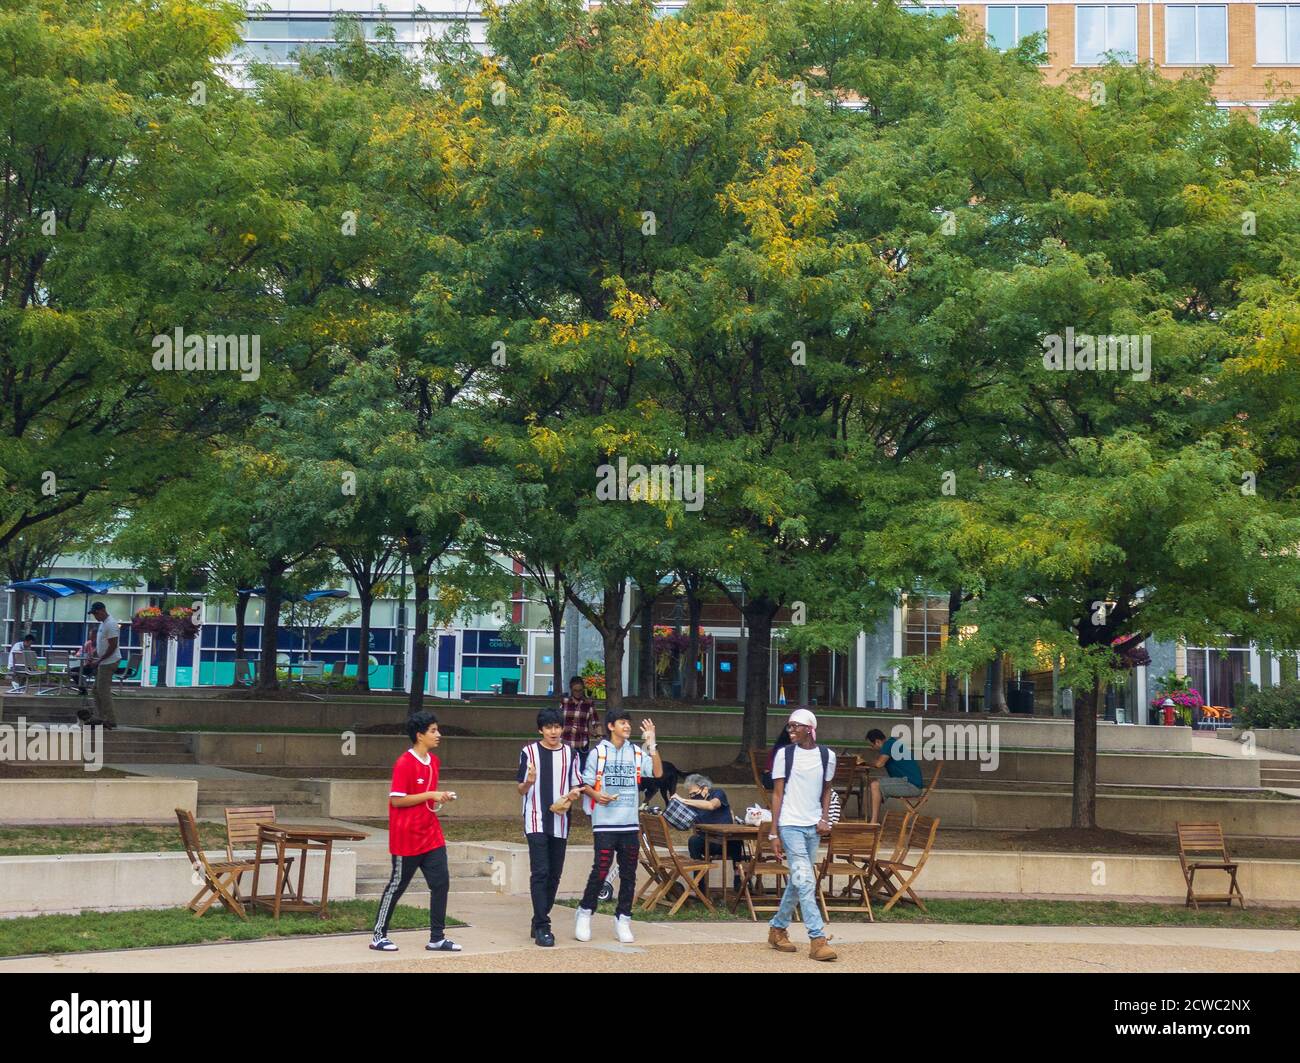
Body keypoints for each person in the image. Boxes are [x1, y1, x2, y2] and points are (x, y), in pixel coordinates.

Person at [370, 711, 462, 953]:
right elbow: (397, 800)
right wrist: (431, 794)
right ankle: (379, 936)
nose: (438, 734)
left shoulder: (434, 762)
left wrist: (440, 797)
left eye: (437, 730)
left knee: (441, 883)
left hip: (431, 834)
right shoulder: (404, 763)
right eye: (433, 731)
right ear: (419, 735)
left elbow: (425, 800)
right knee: (397, 885)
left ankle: (437, 938)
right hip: (406, 838)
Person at [574, 708, 662, 944]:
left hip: (629, 823)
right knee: (601, 869)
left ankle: (623, 918)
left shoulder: (635, 751)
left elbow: (657, 771)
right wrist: (597, 795)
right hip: (604, 822)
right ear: (611, 726)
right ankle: (585, 911)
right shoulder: (598, 752)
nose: (627, 726)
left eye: (628, 723)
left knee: (629, 873)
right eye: (622, 723)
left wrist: (651, 745)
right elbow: (586, 784)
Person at [767, 707, 837, 961]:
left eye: (796, 725)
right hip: (790, 825)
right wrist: (773, 833)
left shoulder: (827, 755)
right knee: (805, 880)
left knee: (799, 881)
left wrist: (824, 818)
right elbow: (776, 794)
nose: (791, 730)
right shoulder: (784, 755)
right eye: (789, 726)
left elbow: (827, 789)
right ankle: (817, 939)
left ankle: (777, 928)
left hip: (813, 826)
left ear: (810, 728)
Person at [517, 707, 583, 947]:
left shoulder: (571, 753)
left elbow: (577, 784)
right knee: (541, 872)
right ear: (540, 730)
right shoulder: (529, 752)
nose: (553, 731)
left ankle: (537, 918)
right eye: (548, 727)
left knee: (554, 874)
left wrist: (574, 794)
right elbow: (520, 789)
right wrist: (529, 782)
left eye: (557, 727)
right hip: (535, 819)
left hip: (561, 819)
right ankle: (544, 926)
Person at [679, 773, 743, 894]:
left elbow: (711, 805)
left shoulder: (718, 793)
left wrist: (683, 800)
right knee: (693, 841)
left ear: (705, 788)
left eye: (694, 793)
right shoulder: (693, 804)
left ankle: (738, 878)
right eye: (690, 795)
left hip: (727, 841)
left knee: (736, 839)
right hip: (708, 842)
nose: (693, 797)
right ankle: (699, 884)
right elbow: (683, 824)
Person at [865, 727, 924, 823]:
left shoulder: (889, 744)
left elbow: (879, 764)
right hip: (909, 783)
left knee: (874, 785)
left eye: (872, 746)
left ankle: (873, 822)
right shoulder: (892, 743)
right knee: (875, 783)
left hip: (910, 785)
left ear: (878, 742)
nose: (872, 748)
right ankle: (872, 820)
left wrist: (864, 763)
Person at [86, 602, 120, 729]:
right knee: (96, 690)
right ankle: (100, 717)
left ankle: (110, 720)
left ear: (103, 610)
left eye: (96, 613)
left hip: (109, 662)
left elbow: (113, 646)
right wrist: (93, 655)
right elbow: (101, 644)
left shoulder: (111, 624)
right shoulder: (103, 624)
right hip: (104, 661)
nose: (95, 616)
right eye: (94, 614)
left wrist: (99, 661)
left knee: (103, 691)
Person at [560, 675, 601, 772]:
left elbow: (596, 722)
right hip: (565, 742)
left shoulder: (588, 703)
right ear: (571, 689)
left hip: (582, 744)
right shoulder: (564, 702)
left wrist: (599, 735)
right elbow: (558, 720)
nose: (578, 693)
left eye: (580, 690)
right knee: (565, 770)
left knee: (581, 771)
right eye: (575, 690)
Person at [70, 625, 97, 695]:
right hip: (88, 666)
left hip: (97, 666)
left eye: (93, 636)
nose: (91, 638)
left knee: (74, 670)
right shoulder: (88, 643)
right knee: (72, 671)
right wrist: (80, 655)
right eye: (90, 636)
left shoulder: (101, 645)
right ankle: (82, 689)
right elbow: (79, 653)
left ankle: (83, 690)